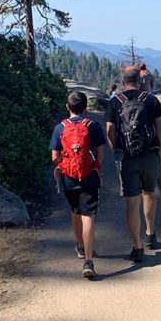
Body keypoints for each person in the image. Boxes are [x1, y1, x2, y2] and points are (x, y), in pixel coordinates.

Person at [106, 66, 161, 262]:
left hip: (127, 157)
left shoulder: (116, 101)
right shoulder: (150, 100)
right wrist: (158, 149)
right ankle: (150, 234)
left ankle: (137, 246)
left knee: (132, 202)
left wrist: (116, 150)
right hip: (149, 155)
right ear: (140, 81)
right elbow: (160, 127)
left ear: (123, 82)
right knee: (149, 192)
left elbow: (109, 131)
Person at [49, 91, 106, 278]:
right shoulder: (93, 126)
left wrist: (64, 166)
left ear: (68, 107)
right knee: (87, 215)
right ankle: (88, 261)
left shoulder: (60, 128)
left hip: (68, 177)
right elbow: (100, 154)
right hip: (89, 176)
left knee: (75, 211)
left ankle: (80, 246)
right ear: (85, 108)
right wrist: (94, 166)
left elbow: (55, 157)